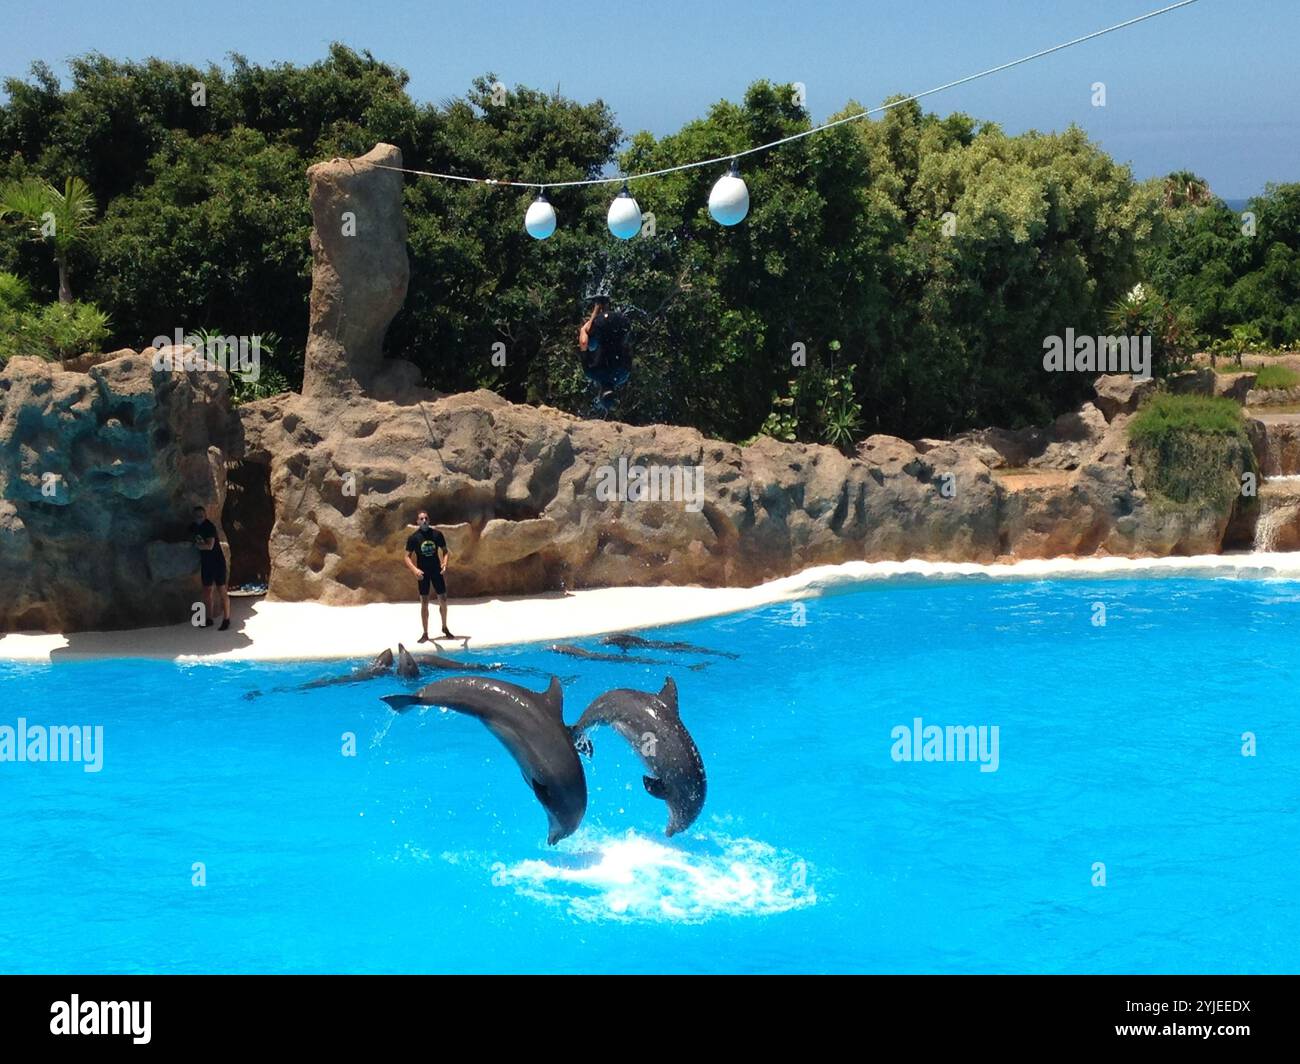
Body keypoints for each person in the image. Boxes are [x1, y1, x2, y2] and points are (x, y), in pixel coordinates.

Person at [404, 510, 454, 642]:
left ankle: (444, 627)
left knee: (443, 599)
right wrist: (415, 570)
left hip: (436, 571)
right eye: (421, 519)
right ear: (418, 522)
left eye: (426, 518)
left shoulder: (437, 535)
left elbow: (445, 551)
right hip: (423, 573)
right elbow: (406, 557)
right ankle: (425, 633)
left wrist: (445, 563)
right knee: (424, 603)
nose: (424, 520)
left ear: (429, 520)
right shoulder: (414, 538)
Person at [578, 295, 632, 414]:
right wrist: (583, 330)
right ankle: (598, 305)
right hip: (601, 322)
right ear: (600, 394)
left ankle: (606, 305)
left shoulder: (624, 375)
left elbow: (627, 346)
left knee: (608, 336)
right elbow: (583, 342)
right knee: (588, 340)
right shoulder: (591, 373)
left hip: (622, 321)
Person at [189, 505, 230, 631]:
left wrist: (196, 546)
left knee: (221, 590)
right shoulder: (194, 527)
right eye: (197, 516)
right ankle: (209, 618)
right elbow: (188, 537)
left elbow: (209, 546)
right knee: (207, 591)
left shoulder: (209, 527)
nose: (199, 518)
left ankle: (226, 619)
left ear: (205, 516)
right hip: (206, 563)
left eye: (201, 516)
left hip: (217, 562)